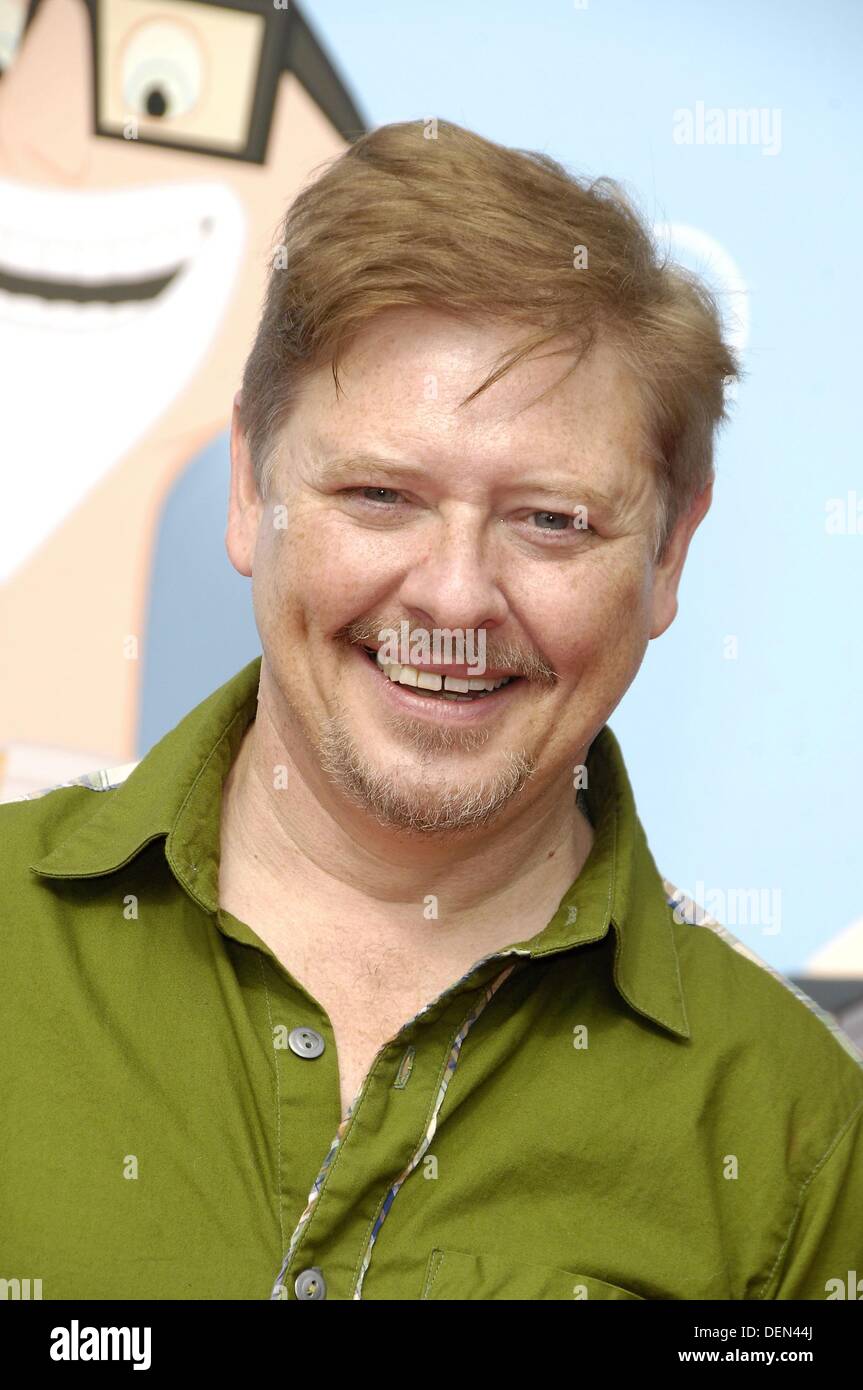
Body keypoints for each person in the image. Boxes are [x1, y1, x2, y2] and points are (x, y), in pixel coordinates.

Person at [3, 118, 861, 1302]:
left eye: (550, 519)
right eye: (377, 493)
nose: (454, 593)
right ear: (252, 490)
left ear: (668, 557)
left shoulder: (799, 1135)